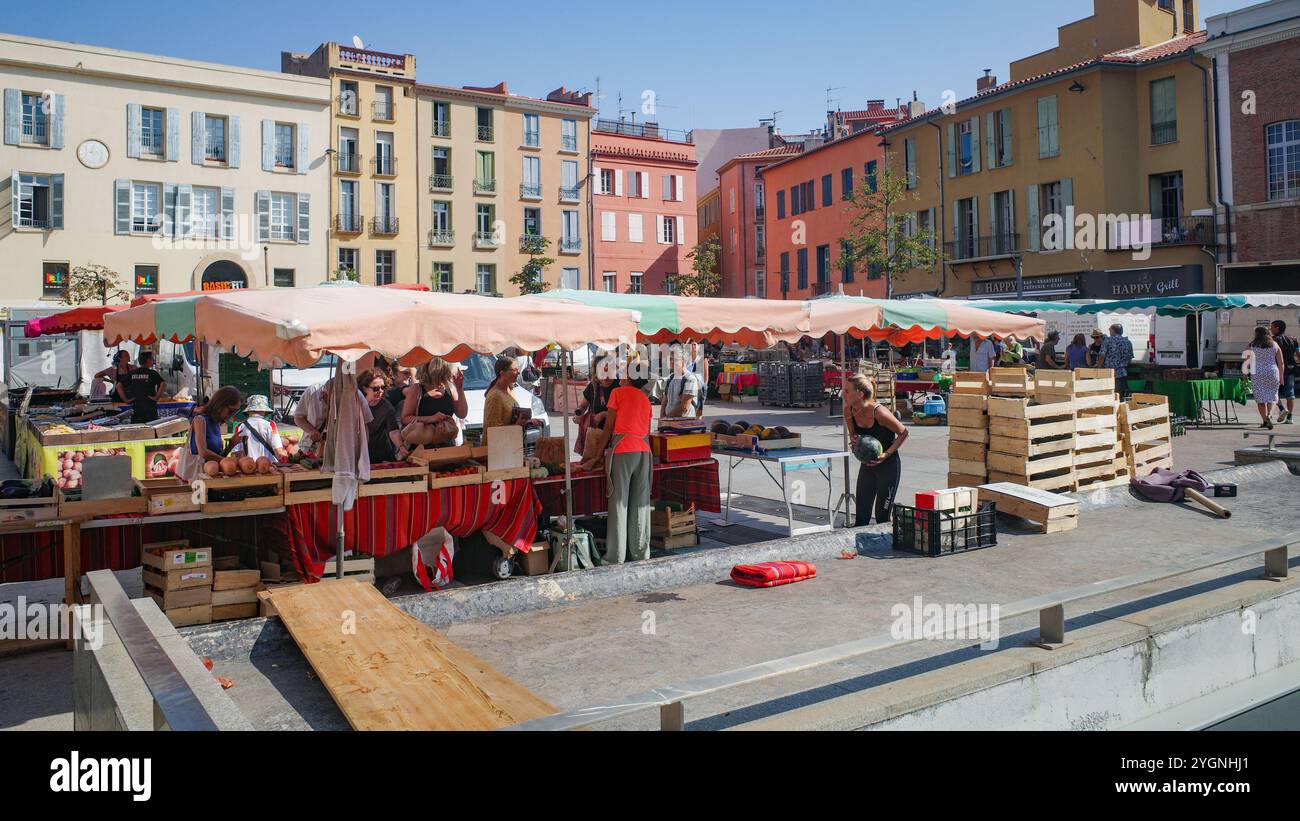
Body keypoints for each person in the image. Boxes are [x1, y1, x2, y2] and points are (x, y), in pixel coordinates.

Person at [581, 373, 653, 564]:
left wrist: (597, 456)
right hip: (644, 452)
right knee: (640, 505)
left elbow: (609, 427)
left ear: (630, 378)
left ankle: (616, 556)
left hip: (623, 450)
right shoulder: (645, 399)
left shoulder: (618, 393)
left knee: (619, 504)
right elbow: (645, 429)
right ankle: (639, 554)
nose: (620, 376)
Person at [844, 374, 907, 526]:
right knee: (861, 518)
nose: (843, 393)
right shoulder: (849, 411)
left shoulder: (879, 412)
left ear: (859, 394)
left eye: (847, 391)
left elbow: (904, 433)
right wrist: (854, 442)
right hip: (867, 466)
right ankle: (858, 550)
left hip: (888, 466)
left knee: (882, 518)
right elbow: (853, 435)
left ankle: (886, 549)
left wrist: (886, 454)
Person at [179, 386, 241, 481]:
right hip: (196, 478)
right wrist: (226, 461)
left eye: (235, 412)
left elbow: (218, 456)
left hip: (210, 477)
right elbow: (203, 452)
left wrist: (231, 445)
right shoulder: (200, 420)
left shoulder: (216, 423)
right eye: (231, 411)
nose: (232, 415)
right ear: (220, 405)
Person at [401, 357, 467, 444]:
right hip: (422, 445)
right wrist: (431, 418)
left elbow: (462, 414)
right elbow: (405, 418)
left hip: (446, 444)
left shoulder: (450, 388)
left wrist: (459, 388)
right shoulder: (417, 389)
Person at [483, 355, 541, 444]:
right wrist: (517, 425)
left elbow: (510, 417)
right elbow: (494, 431)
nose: (518, 372)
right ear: (502, 373)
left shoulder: (510, 388)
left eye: (518, 369)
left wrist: (527, 421)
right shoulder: (495, 396)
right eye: (514, 370)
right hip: (498, 450)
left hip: (510, 445)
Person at [359, 368, 408, 463]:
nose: (380, 391)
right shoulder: (356, 405)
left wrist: (401, 447)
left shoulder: (387, 407)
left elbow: (393, 431)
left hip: (380, 454)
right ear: (365, 388)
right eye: (376, 388)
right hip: (360, 453)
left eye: (383, 387)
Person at [1244, 327, 1284, 430]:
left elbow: (1247, 361)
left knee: (1260, 399)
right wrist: (1281, 376)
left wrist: (1245, 374)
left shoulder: (1252, 345)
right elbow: (1281, 362)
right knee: (1273, 397)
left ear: (1256, 334)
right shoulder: (1274, 345)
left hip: (1257, 373)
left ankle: (1265, 420)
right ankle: (1270, 415)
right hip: (1272, 372)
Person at [232, 394, 288, 463]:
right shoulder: (270, 424)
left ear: (248, 411)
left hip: (249, 467)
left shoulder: (239, 427)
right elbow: (278, 450)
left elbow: (236, 453)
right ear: (264, 410)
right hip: (269, 466)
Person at [120, 350, 166, 423]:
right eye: (151, 358)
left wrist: (126, 400)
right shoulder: (152, 373)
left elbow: (118, 386)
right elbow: (163, 383)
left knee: (137, 429)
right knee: (151, 428)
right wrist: (157, 397)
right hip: (149, 407)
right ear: (148, 360)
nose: (153, 360)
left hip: (136, 407)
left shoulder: (132, 373)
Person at [1270, 320, 1297, 424]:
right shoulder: (1293, 340)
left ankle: (1282, 409)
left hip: (1277, 369)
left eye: (1271, 327)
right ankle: (1290, 417)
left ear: (1277, 328)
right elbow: (1298, 354)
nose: (1270, 329)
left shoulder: (1272, 340)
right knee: (1290, 393)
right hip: (1290, 369)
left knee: (1273, 391)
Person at [661, 348, 701, 418]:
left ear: (684, 361)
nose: (672, 361)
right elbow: (665, 400)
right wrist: (662, 418)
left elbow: (684, 407)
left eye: (675, 359)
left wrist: (666, 418)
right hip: (669, 422)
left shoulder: (690, 379)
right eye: (670, 359)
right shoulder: (670, 378)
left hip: (684, 423)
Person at [1099, 323, 1135, 399]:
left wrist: (1099, 367)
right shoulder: (1128, 342)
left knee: (1109, 395)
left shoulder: (1108, 340)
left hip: (1109, 373)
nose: (1109, 332)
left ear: (1113, 331)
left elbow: (1102, 355)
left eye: (1110, 330)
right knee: (1119, 396)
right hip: (1122, 372)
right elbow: (1130, 358)